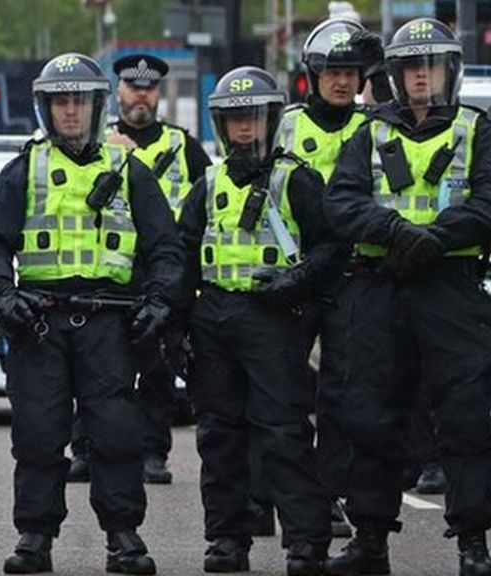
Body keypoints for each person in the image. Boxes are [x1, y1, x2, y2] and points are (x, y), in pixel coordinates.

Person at [0, 52, 183, 575]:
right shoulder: (24, 170)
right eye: (60, 102)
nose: (70, 111)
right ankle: (34, 537)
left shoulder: (130, 172)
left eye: (79, 101)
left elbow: (166, 247)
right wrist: (4, 295)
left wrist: (160, 301)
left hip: (109, 323)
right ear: (45, 109)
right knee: (38, 434)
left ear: (97, 107)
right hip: (39, 322)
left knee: (116, 433)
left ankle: (123, 535)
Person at [323, 18, 491, 576]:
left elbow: (488, 202)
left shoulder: (476, 128)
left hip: (451, 289)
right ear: (396, 74)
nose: (422, 75)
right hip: (380, 288)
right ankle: (370, 543)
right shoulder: (369, 133)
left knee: (467, 418)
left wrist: (436, 239)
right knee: (369, 417)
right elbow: (341, 203)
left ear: (449, 70)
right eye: (412, 66)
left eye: (431, 65)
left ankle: (473, 545)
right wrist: (396, 233)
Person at [177, 65, 338, 575]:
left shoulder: (297, 179)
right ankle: (228, 539)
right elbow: (180, 258)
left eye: (253, 117)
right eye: (235, 118)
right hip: (214, 318)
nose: (245, 127)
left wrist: (297, 281)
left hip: (274, 317)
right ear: (222, 125)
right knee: (219, 435)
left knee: (284, 432)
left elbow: (331, 246)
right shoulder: (206, 184)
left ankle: (306, 543)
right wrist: (175, 328)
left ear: (271, 120)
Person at [67, 52, 211, 486]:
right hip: (109, 268)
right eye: (134, 87)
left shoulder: (184, 146)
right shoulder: (97, 142)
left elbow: (208, 205)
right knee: (94, 365)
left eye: (149, 88)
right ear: (119, 92)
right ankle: (85, 449)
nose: (141, 95)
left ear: (158, 94)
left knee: (157, 367)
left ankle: (152, 452)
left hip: (162, 270)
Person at [273, 17, 377, 540]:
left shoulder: (375, 126)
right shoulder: (285, 125)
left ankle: (331, 494)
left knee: (342, 393)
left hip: (354, 276)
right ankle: (282, 492)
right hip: (295, 276)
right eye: (332, 72)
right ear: (313, 75)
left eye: (351, 73)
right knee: (284, 390)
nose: (341, 81)